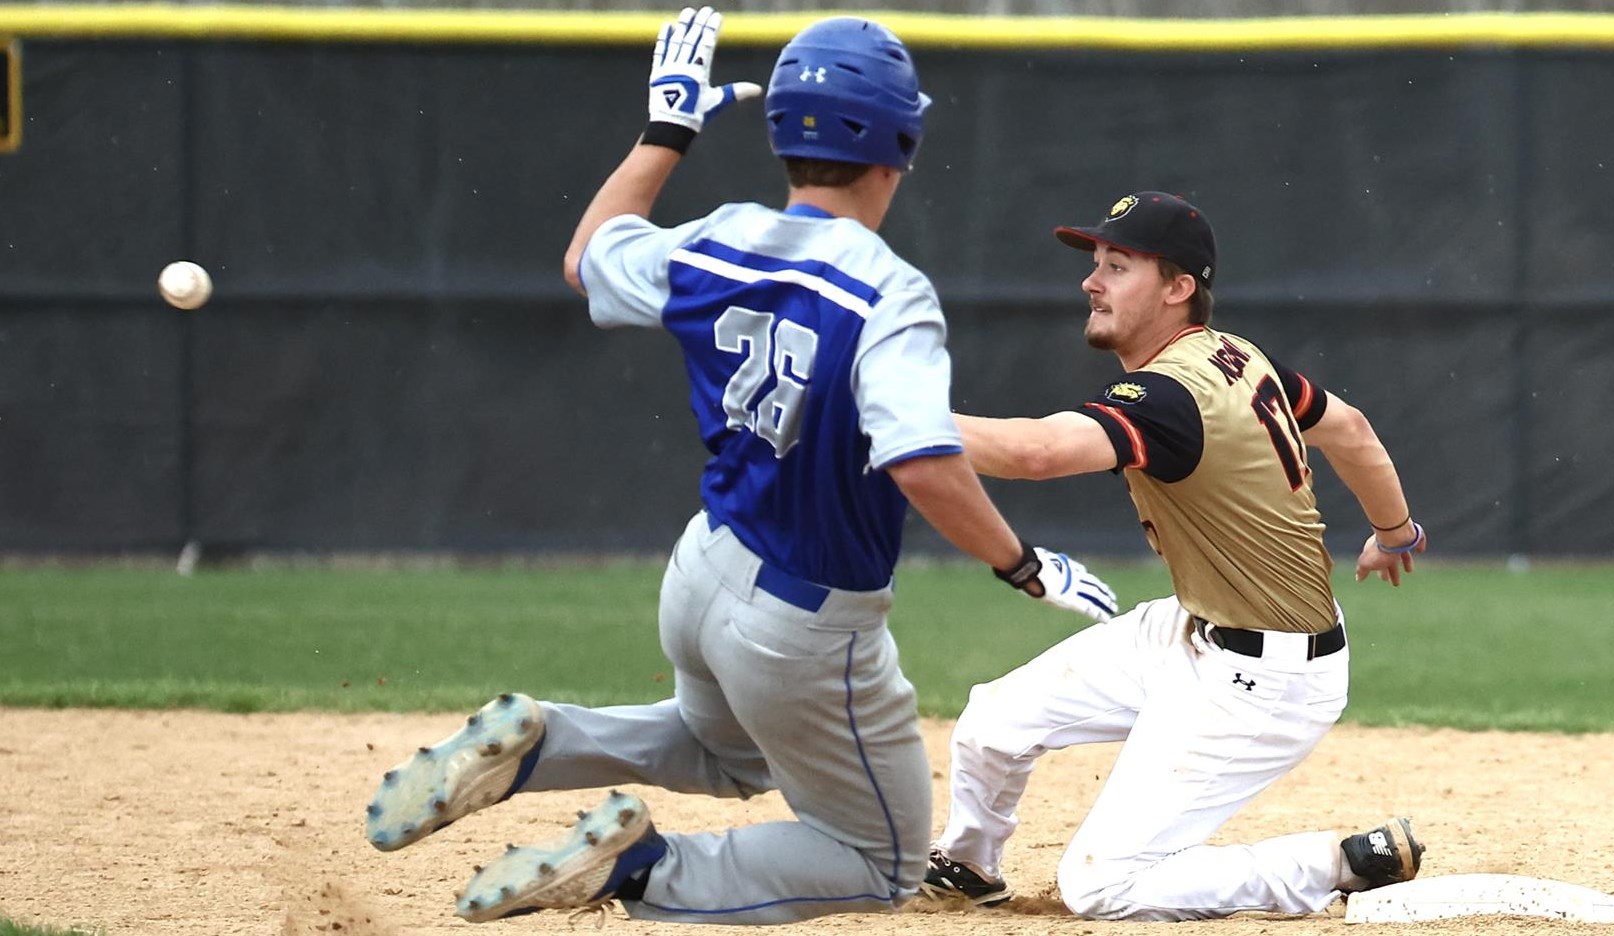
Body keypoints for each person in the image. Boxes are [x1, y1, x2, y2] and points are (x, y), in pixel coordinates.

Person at [362, 6, 1118, 926]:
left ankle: (540, 744)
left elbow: (585, 257)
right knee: (877, 861)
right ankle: (638, 869)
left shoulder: (718, 238)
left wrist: (665, 132)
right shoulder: (888, 291)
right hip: (803, 622)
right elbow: (920, 462)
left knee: (732, 756)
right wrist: (1022, 564)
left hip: (702, 570)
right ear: (901, 143)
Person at [919, 190, 1430, 921]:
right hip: (1194, 627)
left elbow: (1032, 454)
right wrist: (1394, 531)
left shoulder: (1169, 394)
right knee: (992, 724)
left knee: (1101, 888)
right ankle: (969, 864)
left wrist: (890, 416)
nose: (1090, 281)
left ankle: (1335, 864)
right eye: (1095, 262)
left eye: (1118, 265)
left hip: (1262, 677)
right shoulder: (1236, 355)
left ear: (1178, 287)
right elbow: (1348, 428)